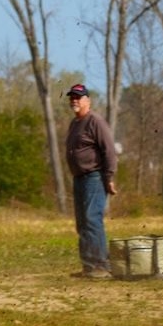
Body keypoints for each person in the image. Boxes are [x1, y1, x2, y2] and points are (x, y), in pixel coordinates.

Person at [62, 83, 117, 278]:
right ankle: (89, 267)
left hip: (94, 177)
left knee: (92, 219)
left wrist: (109, 177)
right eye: (72, 97)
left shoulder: (95, 121)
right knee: (82, 222)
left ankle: (102, 266)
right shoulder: (75, 123)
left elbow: (109, 150)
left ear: (88, 100)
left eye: (78, 97)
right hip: (79, 179)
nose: (74, 100)